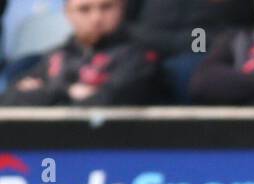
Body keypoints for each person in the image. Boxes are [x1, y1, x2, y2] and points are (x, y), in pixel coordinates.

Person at [1, 0, 162, 106]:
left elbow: (109, 100)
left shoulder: (139, 55)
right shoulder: (57, 56)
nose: (96, 18)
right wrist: (69, 92)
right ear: (68, 13)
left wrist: (45, 92)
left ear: (122, 8)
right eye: (84, 9)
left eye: (106, 7)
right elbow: (10, 99)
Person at [125, 0, 254, 102]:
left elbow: (240, 25)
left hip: (203, 50)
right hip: (145, 48)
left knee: (189, 70)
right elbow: (127, 22)